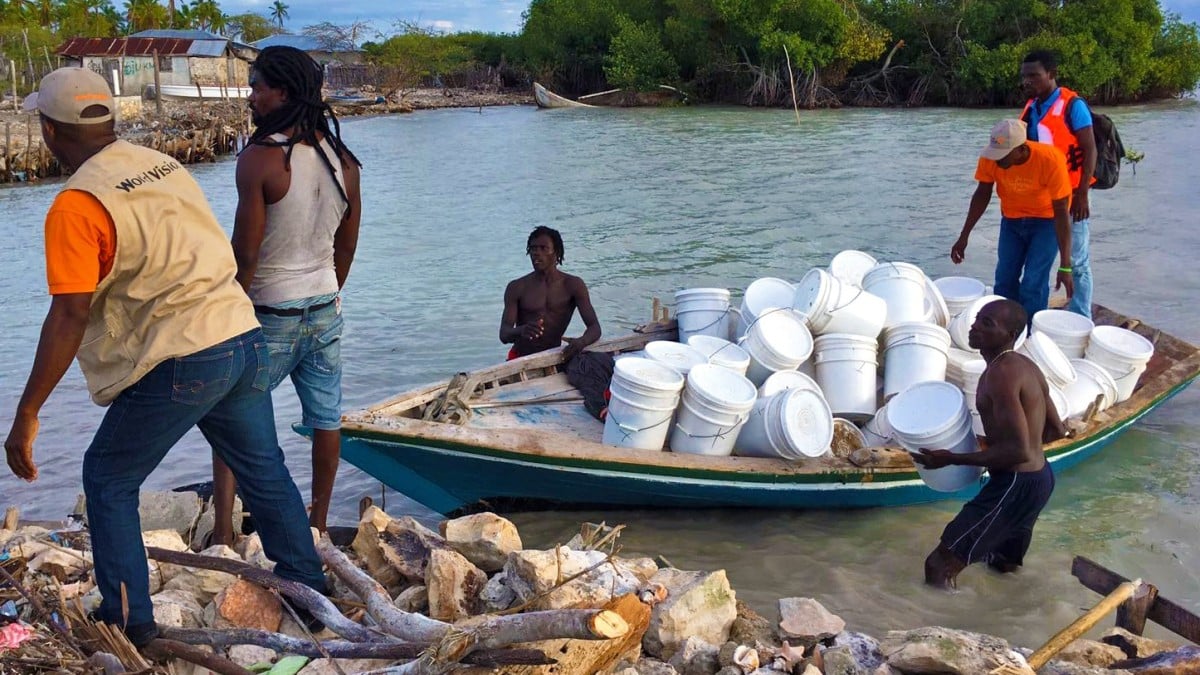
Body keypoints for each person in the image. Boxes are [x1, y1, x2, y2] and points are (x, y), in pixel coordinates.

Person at [3, 68, 327, 646]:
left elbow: (69, 315)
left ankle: (130, 620)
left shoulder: (77, 205)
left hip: (183, 358)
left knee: (107, 477)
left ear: (49, 132)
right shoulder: (162, 164)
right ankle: (307, 582)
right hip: (239, 331)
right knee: (262, 466)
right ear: (108, 118)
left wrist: (28, 412)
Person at [209, 46, 363, 546]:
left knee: (230, 413)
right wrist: (329, 291)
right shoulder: (344, 161)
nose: (251, 96)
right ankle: (318, 524)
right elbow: (347, 242)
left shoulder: (260, 160)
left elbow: (245, 254)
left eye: (257, 86)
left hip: (268, 311)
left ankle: (226, 530)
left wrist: (226, 310)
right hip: (324, 308)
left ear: (284, 92)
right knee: (325, 418)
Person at [913, 299, 1069, 589]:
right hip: (1040, 480)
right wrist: (994, 441)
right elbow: (1056, 430)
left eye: (988, 323)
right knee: (1002, 566)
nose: (974, 328)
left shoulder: (1000, 374)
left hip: (1014, 485)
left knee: (938, 566)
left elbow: (1018, 451)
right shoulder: (1025, 365)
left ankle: (944, 630)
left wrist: (951, 458)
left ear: (1010, 335)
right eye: (976, 320)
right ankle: (1003, 618)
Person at [951, 118, 1074, 322]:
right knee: (1005, 278)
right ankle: (1002, 328)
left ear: (1021, 149)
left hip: (1046, 223)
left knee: (1033, 281)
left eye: (1002, 155)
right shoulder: (990, 158)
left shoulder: (1051, 160)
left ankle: (1027, 332)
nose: (997, 160)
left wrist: (1065, 265)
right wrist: (964, 236)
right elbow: (982, 194)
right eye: (995, 154)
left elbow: (1061, 212)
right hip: (1012, 221)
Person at [1020, 50, 1097, 319]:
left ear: (1051, 75)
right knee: (1040, 262)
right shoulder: (1031, 107)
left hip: (1072, 195)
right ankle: (1035, 316)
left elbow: (1090, 150)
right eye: (1025, 76)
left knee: (1077, 261)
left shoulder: (1073, 106)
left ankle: (1080, 316)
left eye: (1034, 76)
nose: (1028, 81)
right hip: (1042, 199)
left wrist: (1083, 194)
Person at [500, 226, 601, 361]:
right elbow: (504, 334)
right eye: (533, 248)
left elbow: (594, 327)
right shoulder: (517, 287)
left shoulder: (573, 285)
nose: (536, 253)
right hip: (520, 357)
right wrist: (521, 330)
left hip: (554, 357)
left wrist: (581, 342)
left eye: (543, 248)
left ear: (557, 252)